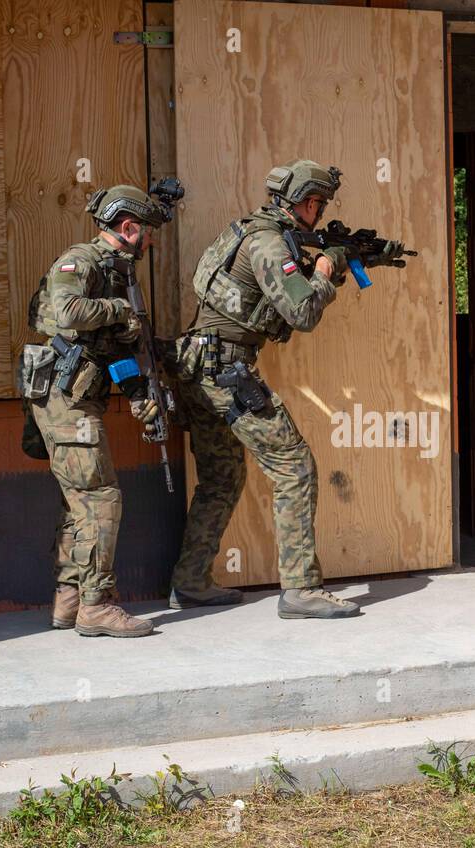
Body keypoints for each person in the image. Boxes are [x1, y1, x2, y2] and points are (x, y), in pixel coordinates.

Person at [170, 160, 359, 620]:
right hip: (226, 372)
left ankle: (190, 581)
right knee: (294, 468)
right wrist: (327, 268)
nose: (320, 211)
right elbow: (303, 314)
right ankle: (300, 590)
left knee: (222, 477)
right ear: (310, 202)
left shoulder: (248, 231)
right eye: (320, 204)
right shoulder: (271, 244)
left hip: (197, 367)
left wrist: (319, 264)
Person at [29, 185, 170, 638]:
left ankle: (69, 600)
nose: (150, 242)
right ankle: (98, 604)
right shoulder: (83, 261)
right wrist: (118, 310)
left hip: (78, 397)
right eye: (146, 233)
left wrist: (137, 394)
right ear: (127, 229)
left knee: (80, 502)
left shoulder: (118, 271)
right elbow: (69, 313)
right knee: (100, 498)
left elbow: (111, 347)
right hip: (64, 399)